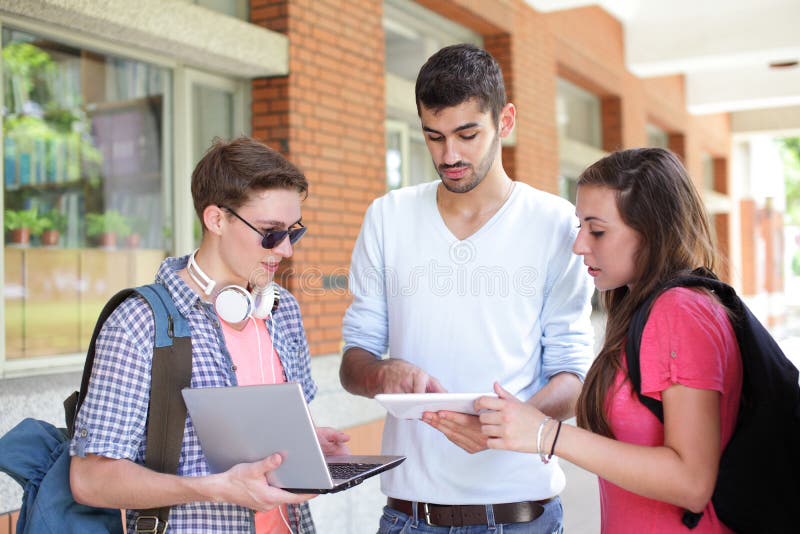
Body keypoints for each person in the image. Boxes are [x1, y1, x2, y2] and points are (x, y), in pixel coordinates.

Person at [339, 43, 595, 533]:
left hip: (522, 515)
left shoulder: (557, 223)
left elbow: (572, 374)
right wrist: (380, 374)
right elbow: (355, 363)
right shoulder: (387, 217)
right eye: (433, 137)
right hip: (408, 516)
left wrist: (513, 424)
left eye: (467, 134)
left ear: (506, 121)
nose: (449, 155)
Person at [69, 136, 350, 533]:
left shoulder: (282, 311)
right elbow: (90, 480)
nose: (286, 250)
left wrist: (305, 447)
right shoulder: (139, 323)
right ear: (216, 219)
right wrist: (215, 488)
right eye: (270, 233)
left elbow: (269, 438)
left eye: (293, 232)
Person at [476, 147, 743, 533]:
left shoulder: (680, 312)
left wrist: (545, 434)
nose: (579, 245)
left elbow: (692, 482)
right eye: (580, 226)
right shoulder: (648, 309)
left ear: (651, 232)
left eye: (597, 230)